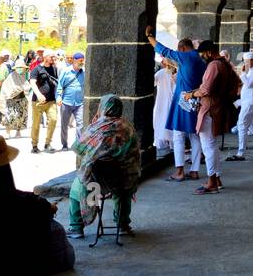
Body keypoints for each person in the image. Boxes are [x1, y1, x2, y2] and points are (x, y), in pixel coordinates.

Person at [0, 135, 74, 276]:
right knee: (57, 231)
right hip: (15, 266)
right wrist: (46, 207)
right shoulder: (14, 201)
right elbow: (18, 203)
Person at [67, 94, 141, 239]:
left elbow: (77, 148)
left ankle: (76, 227)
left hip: (95, 181)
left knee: (76, 188)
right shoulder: (128, 128)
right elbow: (135, 153)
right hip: (123, 178)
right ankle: (123, 224)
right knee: (123, 193)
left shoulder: (95, 128)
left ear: (102, 108)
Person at [146, 33, 206, 181]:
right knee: (194, 135)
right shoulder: (200, 60)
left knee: (178, 135)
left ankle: (179, 171)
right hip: (196, 99)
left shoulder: (186, 56)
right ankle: (194, 170)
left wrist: (150, 37)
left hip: (183, 100)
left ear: (183, 48)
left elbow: (165, 51)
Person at [185, 40, 240, 196]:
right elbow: (236, 84)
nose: (202, 57)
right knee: (212, 146)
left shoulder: (213, 65)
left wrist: (191, 94)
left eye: (202, 54)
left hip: (209, 109)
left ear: (209, 52)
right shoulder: (225, 64)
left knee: (208, 147)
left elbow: (206, 89)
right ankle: (216, 179)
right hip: (218, 107)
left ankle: (211, 184)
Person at [28, 54, 59, 152]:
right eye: (51, 57)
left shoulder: (54, 69)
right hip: (38, 102)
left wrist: (59, 97)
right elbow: (32, 82)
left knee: (53, 120)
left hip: (51, 101)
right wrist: (38, 94)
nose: (53, 59)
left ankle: (47, 143)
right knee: (36, 124)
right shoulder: (37, 69)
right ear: (45, 57)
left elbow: (57, 82)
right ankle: (34, 145)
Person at [56, 52, 86, 148]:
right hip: (66, 102)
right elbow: (60, 85)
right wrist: (59, 96)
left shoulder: (84, 72)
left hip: (79, 103)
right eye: (80, 61)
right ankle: (64, 144)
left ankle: (78, 145)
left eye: (83, 61)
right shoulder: (66, 71)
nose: (82, 63)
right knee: (64, 125)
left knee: (80, 125)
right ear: (74, 61)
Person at [153, 57, 176, 161]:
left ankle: (162, 143)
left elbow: (153, 82)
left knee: (160, 120)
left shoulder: (160, 73)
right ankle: (171, 143)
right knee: (167, 120)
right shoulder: (175, 74)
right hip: (169, 101)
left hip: (162, 101)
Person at [0, 58, 30, 137]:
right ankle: (7, 132)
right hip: (12, 99)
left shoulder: (24, 76)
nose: (20, 69)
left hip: (22, 99)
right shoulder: (11, 76)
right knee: (9, 116)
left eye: (22, 68)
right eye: (18, 68)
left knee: (21, 116)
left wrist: (23, 90)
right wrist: (12, 92)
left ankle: (18, 131)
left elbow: (27, 87)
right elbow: (5, 87)